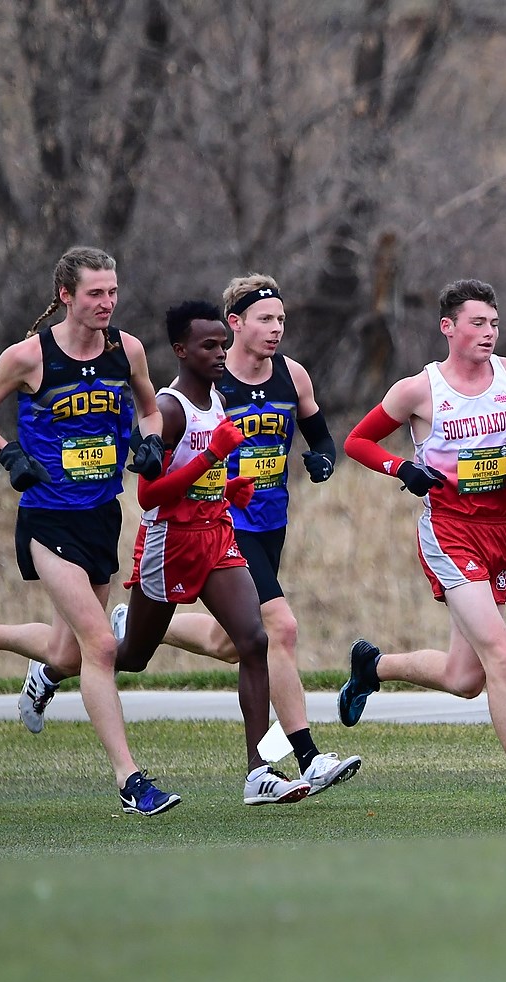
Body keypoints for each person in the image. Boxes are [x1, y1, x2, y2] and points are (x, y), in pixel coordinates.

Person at [103, 275, 360, 798]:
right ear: (181, 350)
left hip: (225, 529)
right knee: (128, 657)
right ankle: (57, 657)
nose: (219, 353)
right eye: (210, 344)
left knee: (252, 640)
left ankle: (256, 773)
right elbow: (150, 497)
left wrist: (231, 486)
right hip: (169, 543)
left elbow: (312, 436)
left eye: (221, 344)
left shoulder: (234, 396)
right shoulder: (172, 408)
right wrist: (216, 457)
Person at [0, 246, 181, 816]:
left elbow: (150, 410)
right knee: (102, 645)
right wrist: (10, 455)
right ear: (66, 296)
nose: (107, 303)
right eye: (95, 293)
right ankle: (132, 782)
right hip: (48, 517)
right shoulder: (29, 357)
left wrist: (149, 442)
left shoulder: (127, 350)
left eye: (113, 292)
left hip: (102, 515)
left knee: (67, 652)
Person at [339, 279, 506, 827]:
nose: (488, 333)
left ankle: (374, 667)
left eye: (493, 323)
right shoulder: (418, 390)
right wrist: (403, 468)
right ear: (448, 327)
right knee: (503, 658)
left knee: (466, 678)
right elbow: (358, 441)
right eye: (476, 323)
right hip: (449, 532)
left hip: (499, 530)